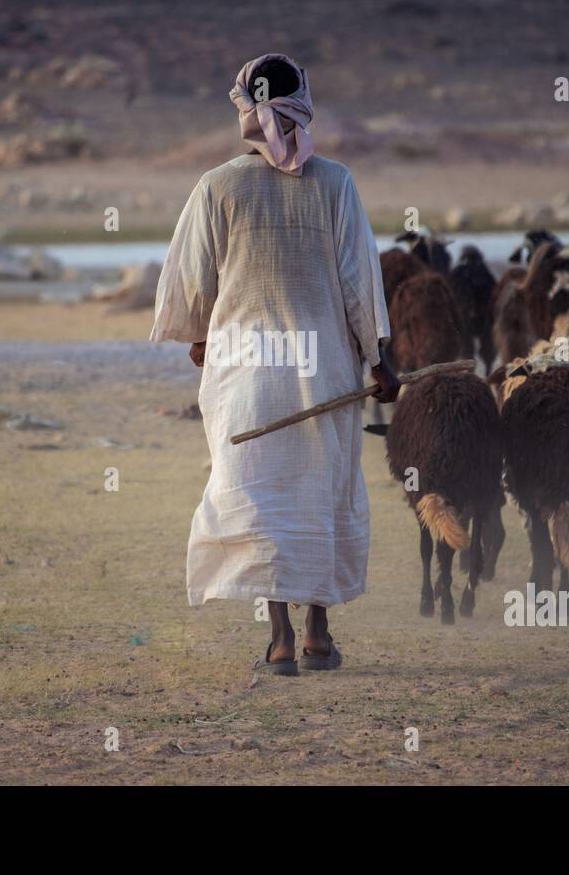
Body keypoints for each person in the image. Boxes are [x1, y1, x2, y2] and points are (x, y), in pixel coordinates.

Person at [150, 53, 398, 675]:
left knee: (258, 496)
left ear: (245, 109)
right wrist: (379, 359)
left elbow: (195, 279)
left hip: (243, 372)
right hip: (324, 369)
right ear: (303, 103)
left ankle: (281, 637)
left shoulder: (217, 185)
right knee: (320, 492)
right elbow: (358, 282)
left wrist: (202, 337)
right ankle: (318, 632)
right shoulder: (336, 182)